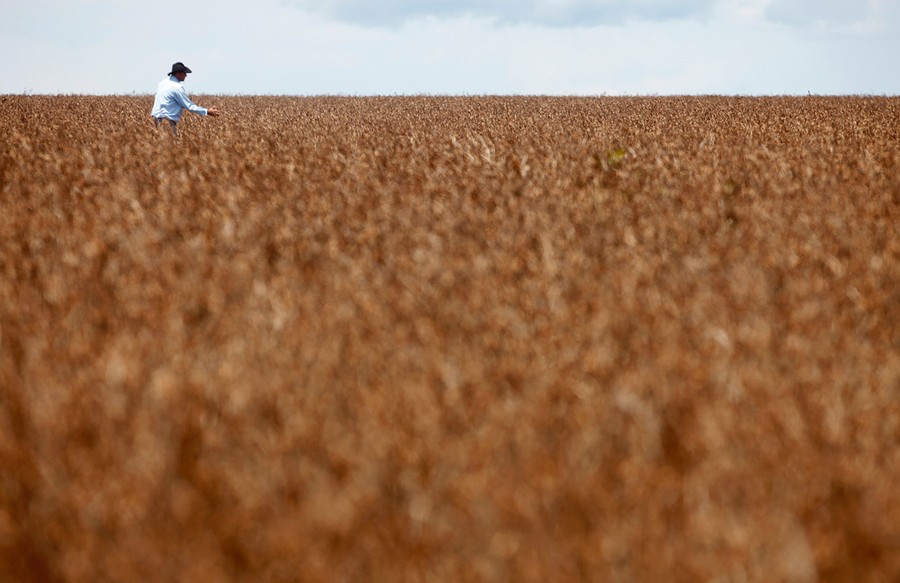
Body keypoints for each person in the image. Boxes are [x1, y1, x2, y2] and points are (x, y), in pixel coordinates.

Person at [150, 62, 220, 136]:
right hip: (167, 122)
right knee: (170, 143)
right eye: (184, 73)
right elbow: (189, 106)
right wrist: (207, 111)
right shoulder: (176, 87)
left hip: (155, 121)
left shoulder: (162, 83)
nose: (186, 75)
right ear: (178, 73)